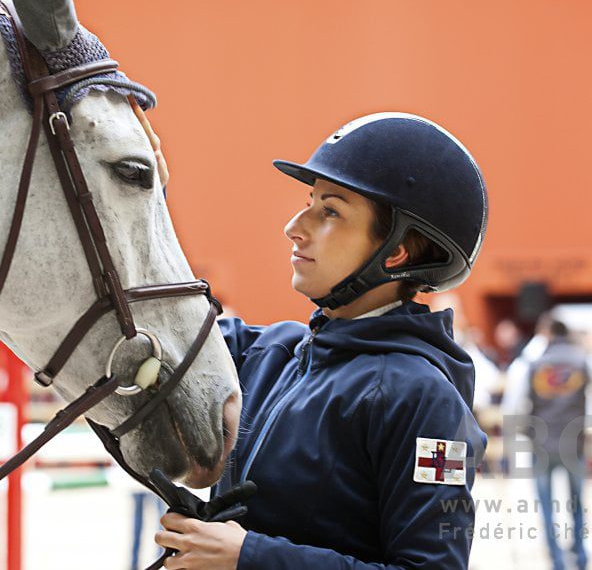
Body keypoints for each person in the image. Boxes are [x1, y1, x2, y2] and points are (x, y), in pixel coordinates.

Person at [148, 112, 489, 569]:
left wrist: (249, 557)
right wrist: (143, 198)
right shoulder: (269, 353)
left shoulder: (427, 402)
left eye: (330, 210)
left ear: (398, 251)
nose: (294, 225)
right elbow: (162, 321)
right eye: (309, 201)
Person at [503, 317, 592, 570]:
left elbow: (512, 404)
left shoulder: (533, 363)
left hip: (541, 445)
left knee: (547, 508)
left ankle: (557, 562)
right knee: (578, 504)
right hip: (574, 444)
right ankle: (580, 558)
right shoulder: (582, 360)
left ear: (546, 335)